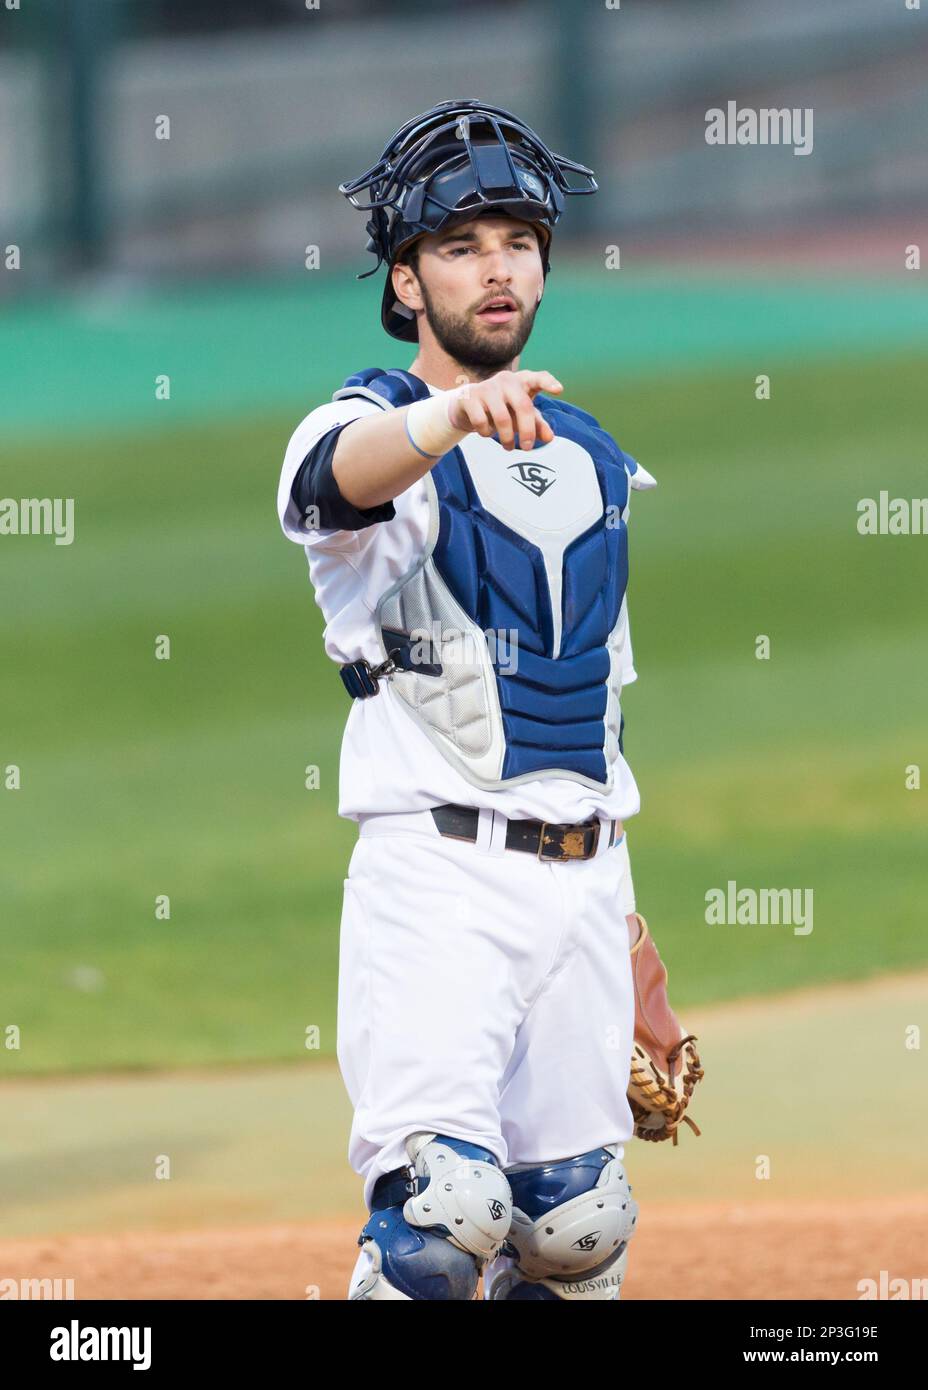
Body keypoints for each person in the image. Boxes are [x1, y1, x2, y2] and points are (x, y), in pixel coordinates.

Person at [276, 100, 661, 1301]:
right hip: (436, 885)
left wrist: (636, 946)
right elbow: (327, 485)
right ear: (405, 278)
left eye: (517, 241)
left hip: (582, 889)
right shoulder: (369, 429)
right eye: (460, 245)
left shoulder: (593, 458)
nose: (496, 270)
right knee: (442, 1224)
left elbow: (590, 720)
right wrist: (444, 418)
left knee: (576, 1229)